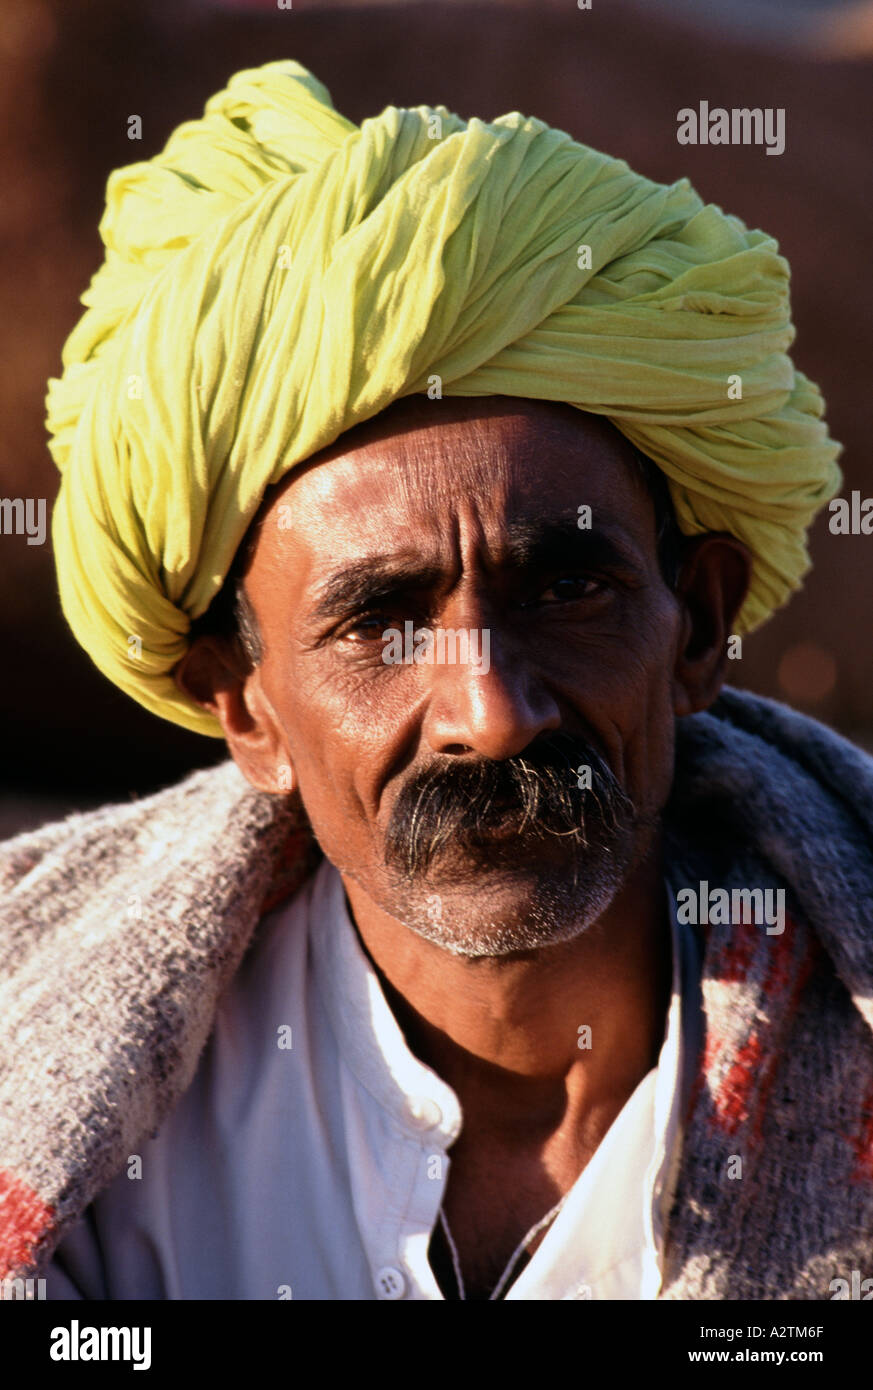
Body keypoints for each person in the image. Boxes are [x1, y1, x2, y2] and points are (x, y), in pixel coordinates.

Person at [1, 59, 871, 1302]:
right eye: (380, 621)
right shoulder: (53, 1088)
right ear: (242, 706)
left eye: (567, 591)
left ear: (699, 627)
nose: (492, 711)